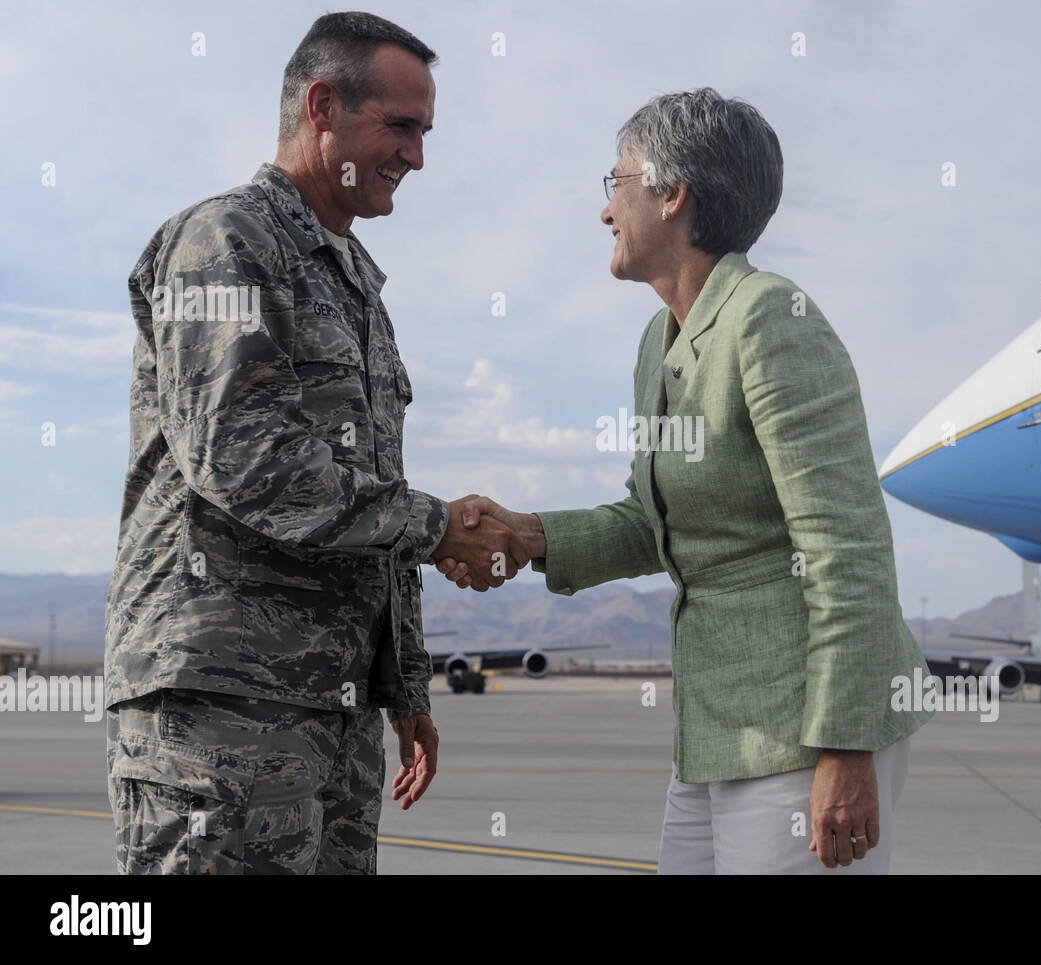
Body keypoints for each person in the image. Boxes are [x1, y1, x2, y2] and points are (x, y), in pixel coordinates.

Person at [436, 88, 935, 873]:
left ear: (673, 195)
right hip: (714, 730)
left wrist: (847, 742)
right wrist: (528, 535)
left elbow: (848, 545)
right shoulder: (658, 341)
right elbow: (654, 519)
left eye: (617, 182)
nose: (606, 210)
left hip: (800, 723)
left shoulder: (770, 319)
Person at [104, 11, 529, 875]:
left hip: (330, 710)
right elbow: (244, 457)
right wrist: (441, 524)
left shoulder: (356, 282)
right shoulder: (224, 242)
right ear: (324, 105)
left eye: (423, 132)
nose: (417, 156)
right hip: (219, 707)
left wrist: (403, 683)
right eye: (401, 127)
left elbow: (368, 496)